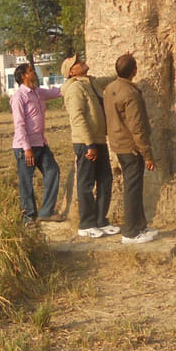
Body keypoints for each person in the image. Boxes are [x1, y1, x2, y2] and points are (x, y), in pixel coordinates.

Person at [61, 54, 119, 239]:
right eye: (76, 63)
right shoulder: (75, 89)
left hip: (98, 139)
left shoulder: (90, 82)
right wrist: (89, 144)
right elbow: (77, 118)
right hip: (86, 142)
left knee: (105, 180)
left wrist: (122, 66)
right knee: (86, 183)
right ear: (71, 72)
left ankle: (101, 220)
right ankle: (86, 224)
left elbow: (110, 79)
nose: (81, 62)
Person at [103, 52, 158, 244]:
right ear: (134, 70)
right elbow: (137, 127)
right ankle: (131, 232)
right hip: (132, 147)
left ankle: (141, 226)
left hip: (118, 144)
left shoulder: (109, 88)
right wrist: (147, 154)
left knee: (134, 187)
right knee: (133, 189)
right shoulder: (131, 94)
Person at [9, 62, 64, 224]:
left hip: (40, 143)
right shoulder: (19, 97)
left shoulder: (38, 92)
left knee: (53, 171)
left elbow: (57, 92)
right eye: (31, 71)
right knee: (26, 182)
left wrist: (73, 82)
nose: (35, 73)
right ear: (23, 76)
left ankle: (46, 211)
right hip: (25, 146)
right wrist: (27, 149)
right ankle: (28, 218)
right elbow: (19, 124)